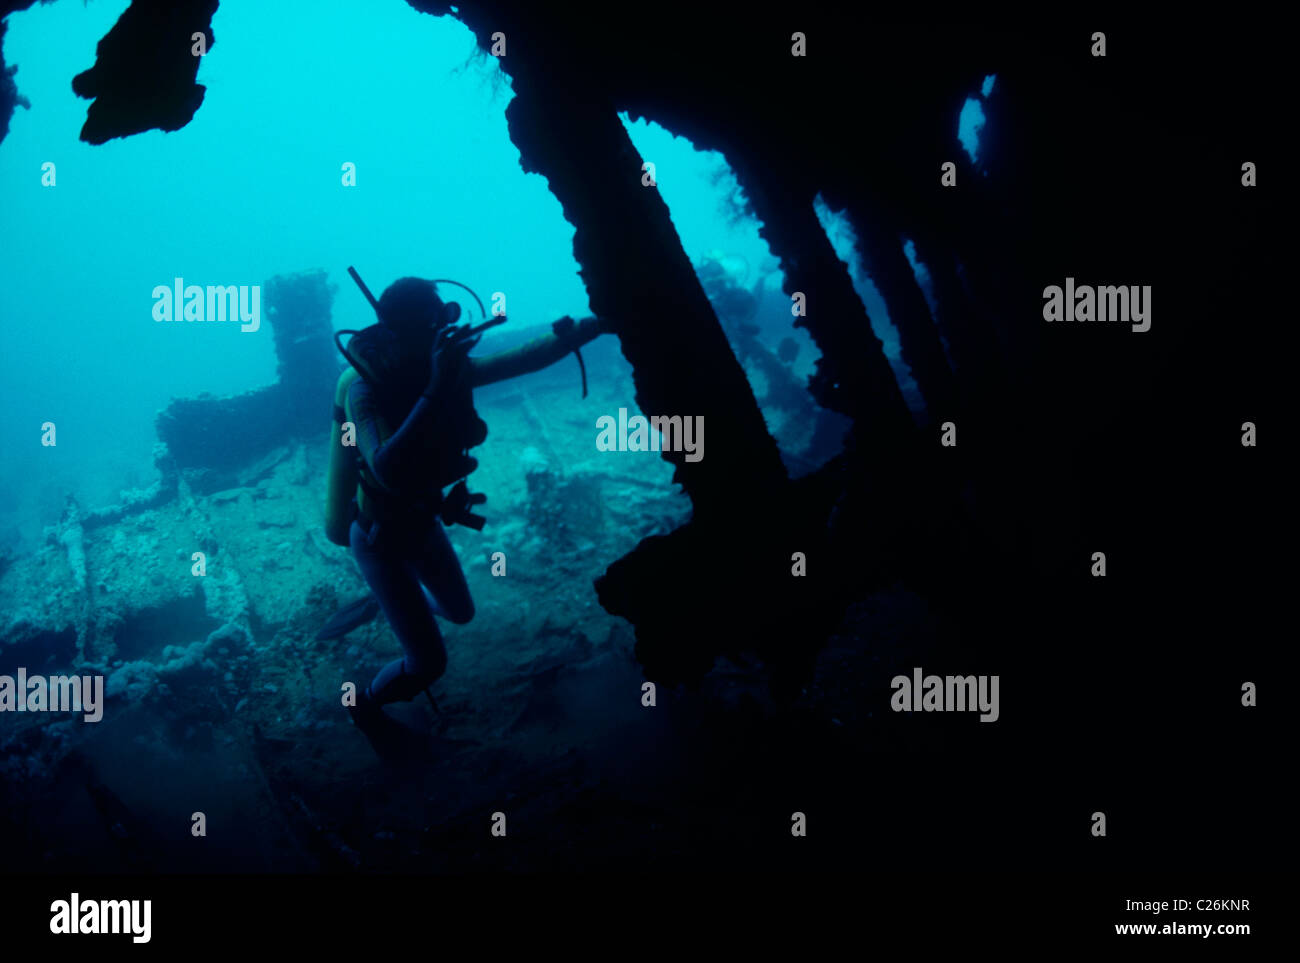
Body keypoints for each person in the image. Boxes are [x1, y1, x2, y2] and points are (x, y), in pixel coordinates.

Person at [325, 276, 607, 745]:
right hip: (380, 539)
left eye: (443, 319)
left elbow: (519, 360)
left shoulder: (445, 366)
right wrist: (436, 384)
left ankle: (395, 602)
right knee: (429, 664)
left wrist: (589, 328)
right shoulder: (365, 388)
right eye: (430, 324)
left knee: (461, 612)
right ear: (403, 330)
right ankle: (365, 705)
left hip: (423, 522)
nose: (441, 331)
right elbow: (385, 466)